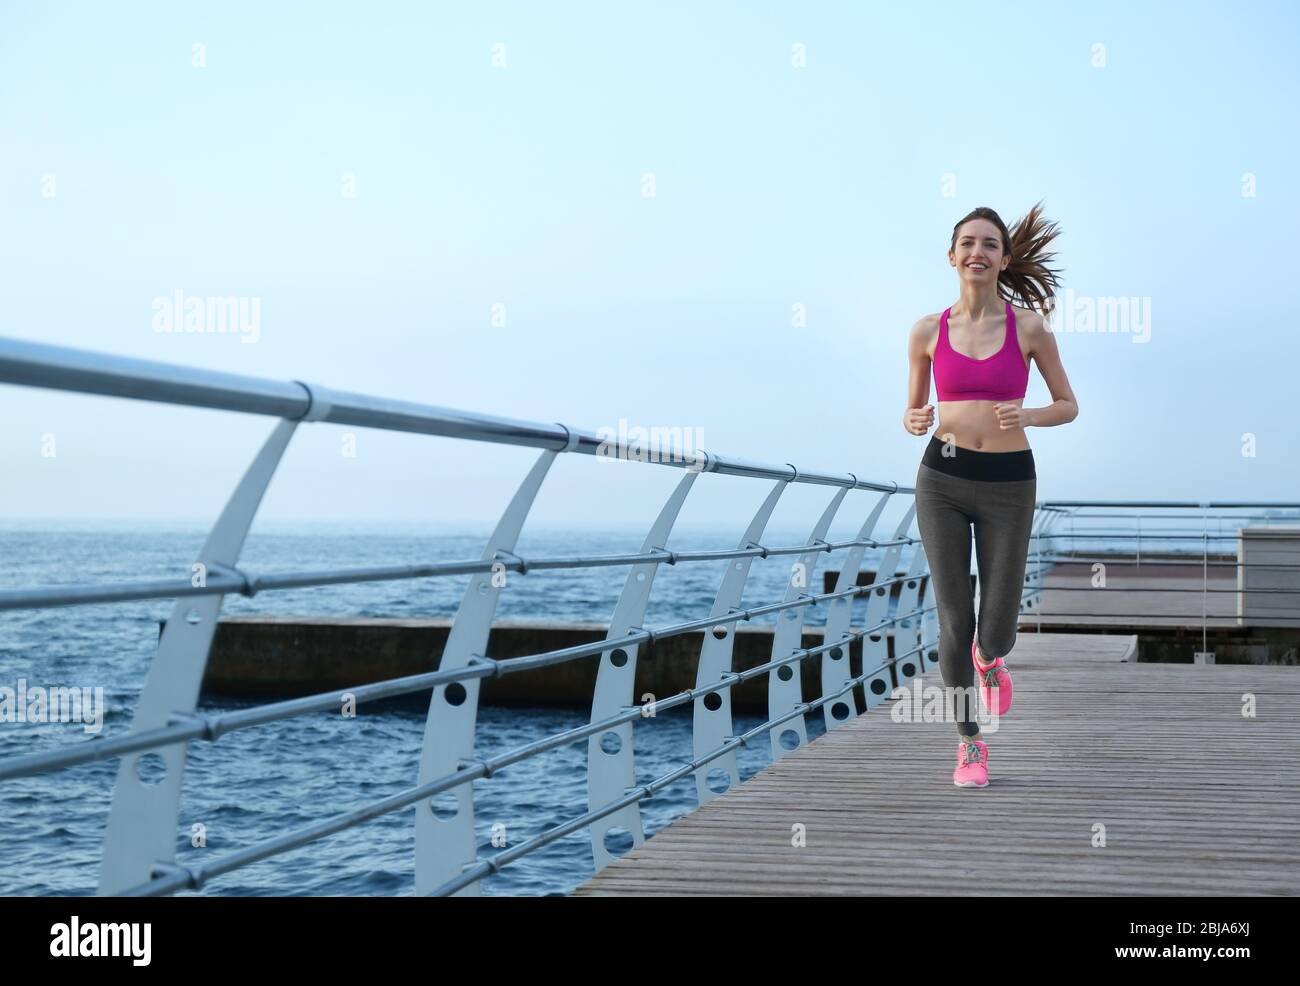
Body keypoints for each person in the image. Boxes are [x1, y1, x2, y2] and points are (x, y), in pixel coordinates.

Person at [902, 201, 1078, 787]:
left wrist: (1027, 413)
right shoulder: (927, 330)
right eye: (968, 243)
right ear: (952, 256)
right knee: (954, 620)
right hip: (942, 480)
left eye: (990, 244)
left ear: (1004, 259)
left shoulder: (1028, 327)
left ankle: (991, 658)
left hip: (1008, 483)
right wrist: (914, 418)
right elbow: (913, 406)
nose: (978, 252)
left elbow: (1068, 405)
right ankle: (969, 743)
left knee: (995, 624)